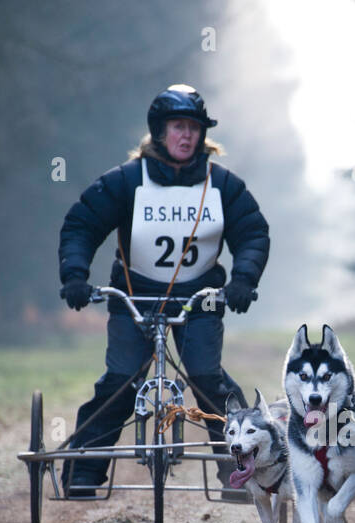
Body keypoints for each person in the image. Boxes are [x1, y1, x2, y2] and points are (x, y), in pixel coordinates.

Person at [57, 83, 269, 500]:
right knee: (122, 379)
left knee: (208, 379)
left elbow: (252, 232)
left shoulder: (222, 185)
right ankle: (83, 472)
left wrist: (244, 279)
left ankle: (239, 474)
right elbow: (82, 224)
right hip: (135, 295)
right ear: (159, 131)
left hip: (200, 299)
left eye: (193, 127)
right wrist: (75, 276)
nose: (186, 135)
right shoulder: (127, 180)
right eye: (177, 126)